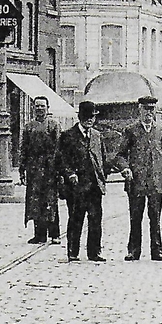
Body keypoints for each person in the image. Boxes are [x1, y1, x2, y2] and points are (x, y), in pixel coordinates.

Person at [115, 95, 162, 261]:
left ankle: (157, 251)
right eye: (146, 109)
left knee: (155, 217)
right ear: (139, 110)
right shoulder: (130, 130)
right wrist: (125, 168)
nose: (149, 113)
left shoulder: (161, 130)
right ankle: (134, 250)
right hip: (136, 182)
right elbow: (120, 155)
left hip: (156, 182)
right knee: (135, 217)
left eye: (152, 109)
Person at [57, 100, 108, 263]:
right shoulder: (67, 135)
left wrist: (103, 177)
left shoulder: (97, 136)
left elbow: (103, 158)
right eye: (87, 116)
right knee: (75, 219)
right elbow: (61, 160)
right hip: (76, 187)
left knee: (95, 219)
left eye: (92, 117)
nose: (90, 120)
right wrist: (70, 173)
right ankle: (73, 252)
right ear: (80, 117)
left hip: (94, 186)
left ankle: (94, 252)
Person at [19, 95, 62, 244]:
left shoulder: (54, 125)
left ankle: (55, 234)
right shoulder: (29, 126)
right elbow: (23, 148)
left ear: (48, 108)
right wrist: (22, 169)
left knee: (51, 201)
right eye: (37, 106)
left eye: (42, 106)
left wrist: (59, 169)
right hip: (34, 169)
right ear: (33, 108)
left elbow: (59, 148)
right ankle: (39, 234)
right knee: (35, 202)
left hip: (50, 169)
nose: (40, 109)